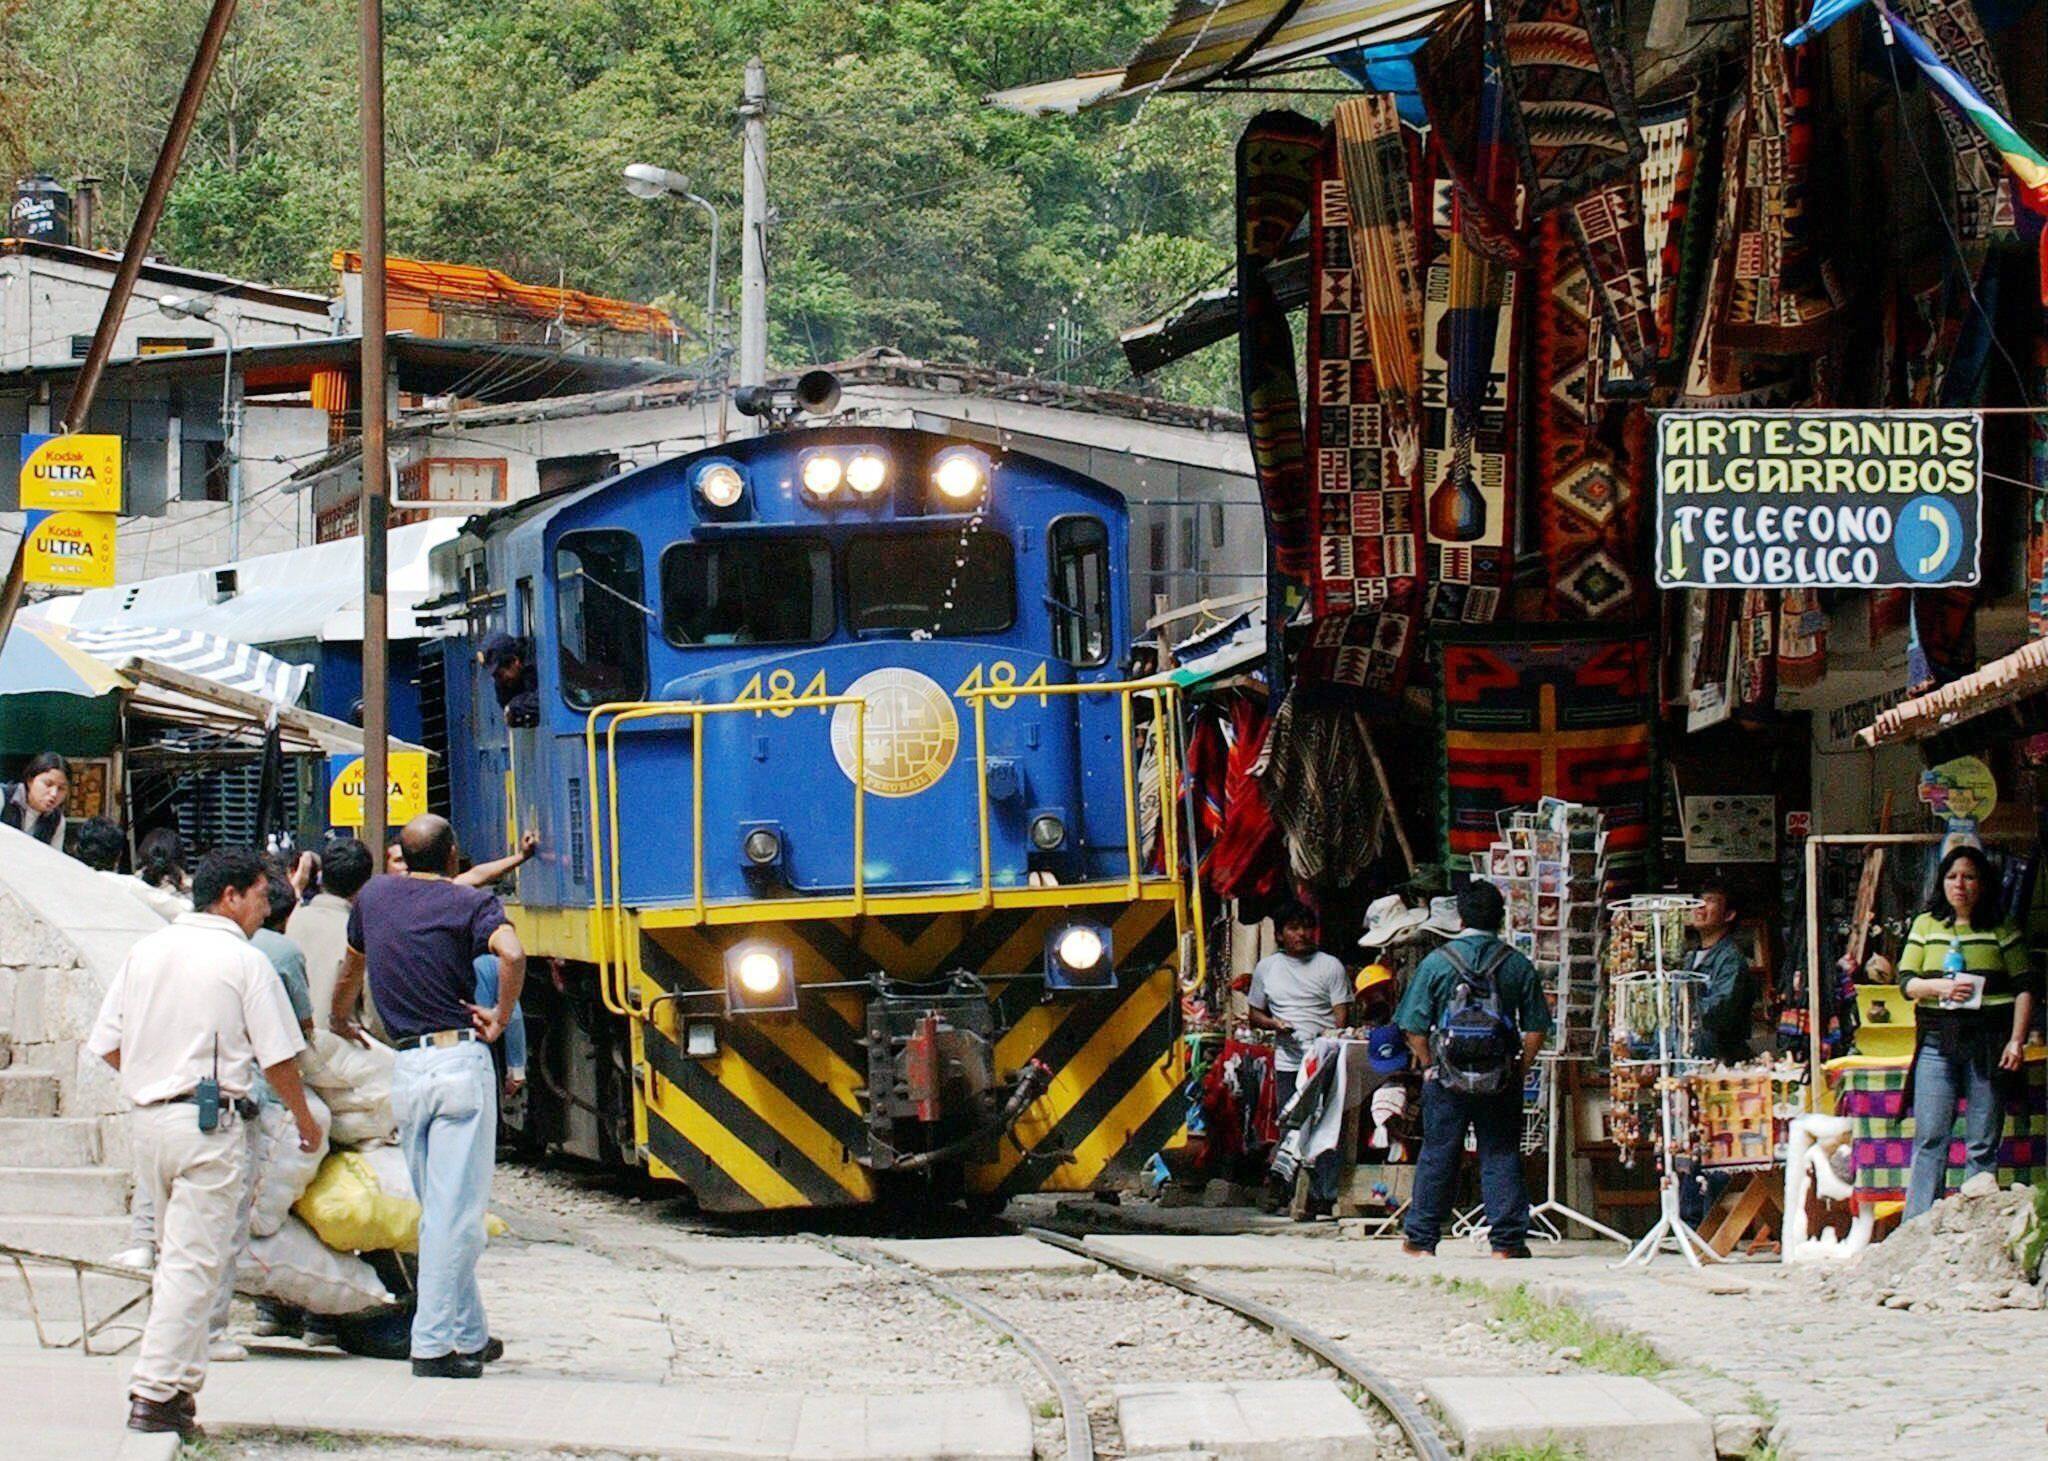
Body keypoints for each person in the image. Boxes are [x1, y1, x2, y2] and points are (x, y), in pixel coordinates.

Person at [86, 849, 320, 1439]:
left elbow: (107, 1042)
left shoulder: (147, 950)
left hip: (151, 1120)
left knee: (178, 1254)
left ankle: (181, 1386)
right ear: (231, 896)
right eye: (264, 897)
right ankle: (154, 1392)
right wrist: (304, 1120)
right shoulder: (243, 961)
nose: (268, 910)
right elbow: (279, 1056)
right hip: (209, 1123)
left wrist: (152, 1076)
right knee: (195, 1263)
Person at [331, 814, 525, 1378]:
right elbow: (511, 955)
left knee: (437, 1211)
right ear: (453, 856)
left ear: (402, 855)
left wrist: (339, 1016)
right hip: (460, 1061)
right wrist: (502, 1015)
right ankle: (434, 1346)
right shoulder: (470, 907)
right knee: (456, 1215)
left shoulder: (375, 899)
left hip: (408, 1069)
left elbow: (351, 966)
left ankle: (469, 1332)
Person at [1395, 879, 1552, 1259]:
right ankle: (1507, 1243)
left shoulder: (1437, 962)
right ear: (1501, 918)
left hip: (1446, 1080)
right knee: (1500, 1153)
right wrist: (1518, 1067)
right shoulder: (1516, 964)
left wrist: (1433, 1066)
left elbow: (1412, 1028)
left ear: (1460, 917)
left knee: (1439, 1153)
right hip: (1500, 1080)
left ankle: (1421, 1240)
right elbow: (1536, 1028)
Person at [1896, 844, 2036, 1220]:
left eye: (1969, 876)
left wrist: (2017, 1040)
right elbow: (1906, 982)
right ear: (1942, 882)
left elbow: (2025, 986)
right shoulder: (1925, 925)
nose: (1960, 885)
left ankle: (1975, 1228)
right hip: (1936, 1040)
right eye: (1952, 876)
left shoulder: (2002, 926)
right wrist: (1940, 987)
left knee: (1982, 1142)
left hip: (1989, 1043)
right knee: (1930, 1138)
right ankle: (1919, 1226)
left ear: (1983, 883)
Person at [1245, 901, 1353, 1111]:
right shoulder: (1266, 968)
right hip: (1288, 1063)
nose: (1302, 933)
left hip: (1325, 1062)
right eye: (1293, 928)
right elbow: (1254, 1015)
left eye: (1306, 927)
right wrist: (1274, 1023)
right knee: (1289, 1124)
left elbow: (1342, 1016)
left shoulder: (1330, 966)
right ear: (1279, 935)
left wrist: (1329, 1039)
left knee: (1324, 1126)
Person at [289, 836, 376, 1034]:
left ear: (321, 876)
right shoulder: (362, 933)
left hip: (293, 1048)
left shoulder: (293, 920)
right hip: (343, 1048)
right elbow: (372, 1013)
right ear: (364, 885)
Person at [74, 817, 192, 921]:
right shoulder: (127, 885)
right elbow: (183, 910)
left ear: (76, 848)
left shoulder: (67, 879)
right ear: (119, 855)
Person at [1690, 880, 1756, 1066]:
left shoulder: (1731, 960)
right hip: (1692, 1058)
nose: (1700, 907)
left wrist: (1681, 1008)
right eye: (1698, 901)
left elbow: (1719, 1010)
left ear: (1729, 915)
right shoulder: (1690, 958)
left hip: (1720, 1062)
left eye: (1710, 901)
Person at [2, 751, 70, 849]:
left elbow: (54, 858)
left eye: (61, 788)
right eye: (48, 784)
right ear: (30, 780)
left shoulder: (57, 820)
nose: (54, 794)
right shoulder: (3, 797)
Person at [481, 632, 539, 728]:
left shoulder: (541, 657)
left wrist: (516, 707)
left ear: (515, 661)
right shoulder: (505, 682)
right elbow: (506, 704)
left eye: (501, 675)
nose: (501, 681)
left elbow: (549, 697)